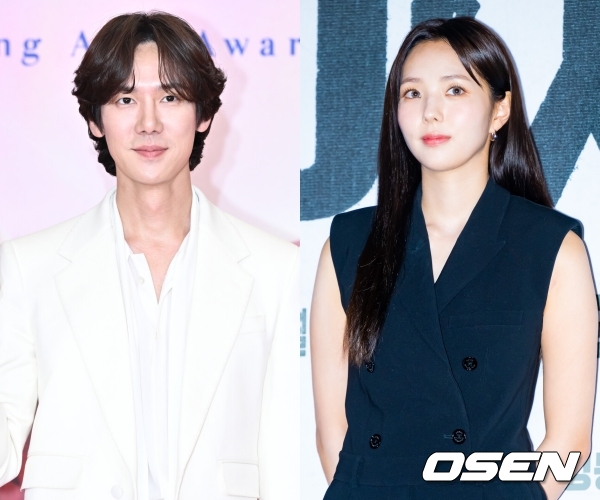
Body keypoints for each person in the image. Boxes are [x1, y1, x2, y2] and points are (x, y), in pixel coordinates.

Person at [0, 12, 298, 500]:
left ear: (203, 114)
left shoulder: (275, 270)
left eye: (170, 97)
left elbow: (283, 462)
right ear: (95, 120)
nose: (148, 123)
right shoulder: (27, 267)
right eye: (125, 99)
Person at [311, 17, 597, 500]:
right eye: (413, 93)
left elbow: (570, 441)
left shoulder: (550, 246)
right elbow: (331, 432)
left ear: (500, 110)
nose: (431, 113)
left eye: (455, 90)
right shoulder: (350, 241)